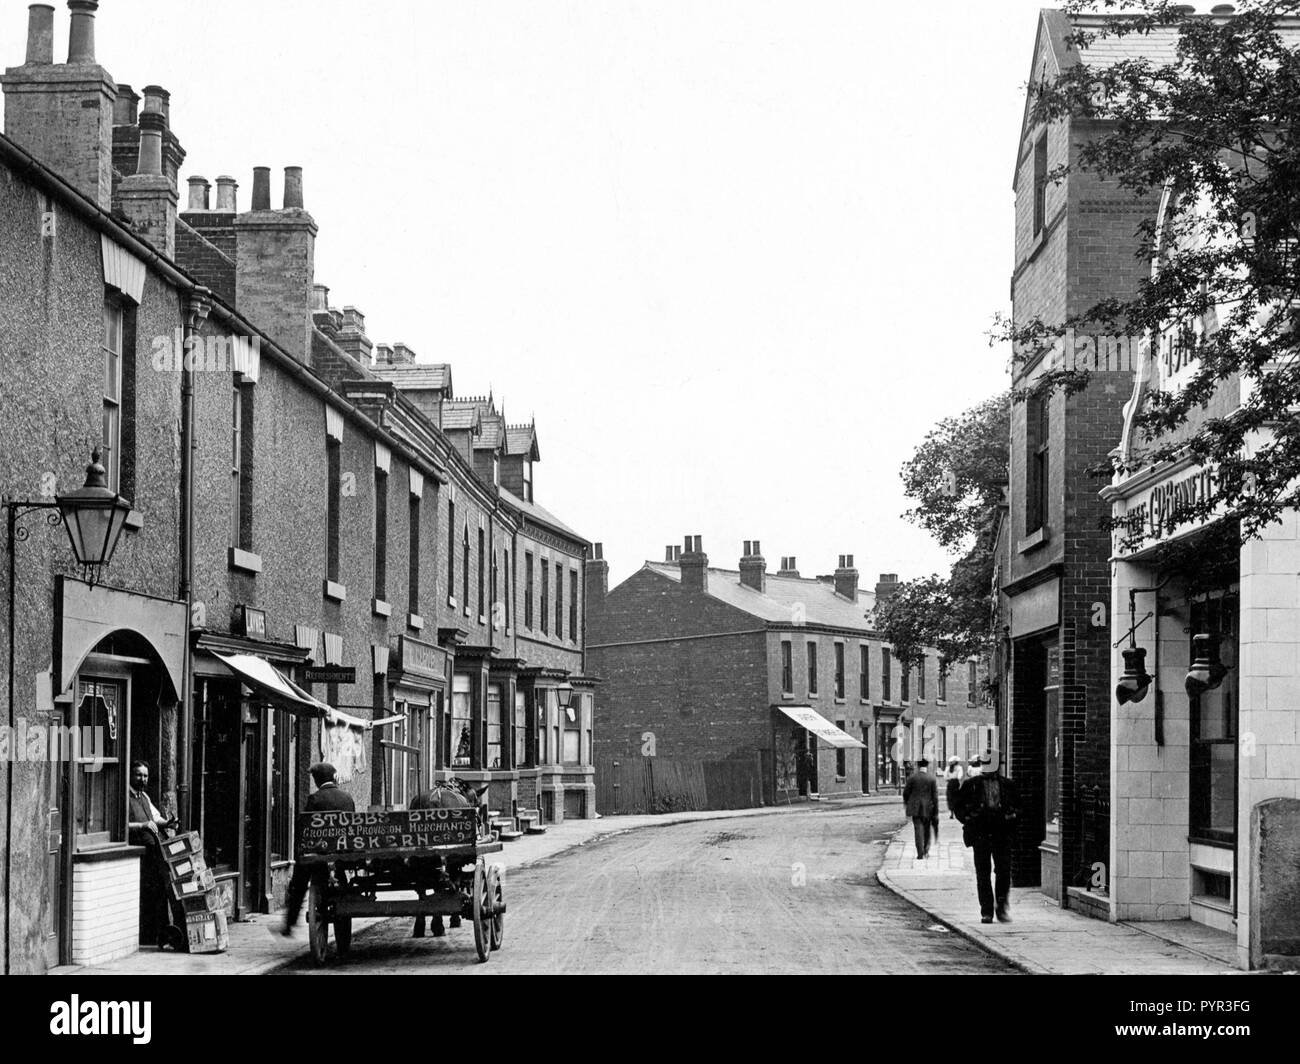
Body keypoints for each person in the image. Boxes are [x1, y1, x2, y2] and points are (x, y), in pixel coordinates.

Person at [282, 762, 355, 936]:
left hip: (319, 856)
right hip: (342, 855)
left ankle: (289, 924)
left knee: (300, 882)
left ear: (317, 779)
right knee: (340, 875)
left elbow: (306, 830)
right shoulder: (347, 798)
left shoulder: (314, 799)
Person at [954, 749, 1019, 924]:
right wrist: (967, 818)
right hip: (980, 834)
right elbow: (957, 806)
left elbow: (1019, 806)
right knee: (983, 874)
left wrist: (1012, 816)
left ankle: (1001, 906)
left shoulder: (1008, 785)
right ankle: (987, 911)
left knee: (1003, 872)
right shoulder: (971, 784)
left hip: (1002, 833)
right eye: (985, 763)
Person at [127, 760, 178, 944]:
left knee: (159, 893)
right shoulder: (124, 796)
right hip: (138, 855)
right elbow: (120, 825)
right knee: (146, 896)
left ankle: (160, 935)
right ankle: (146, 936)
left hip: (154, 853)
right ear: (131, 775)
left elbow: (156, 818)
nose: (142, 779)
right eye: (139, 775)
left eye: (145, 776)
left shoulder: (145, 797)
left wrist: (169, 823)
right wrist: (141, 825)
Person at [902, 758, 938, 859]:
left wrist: (906, 803)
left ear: (918, 766)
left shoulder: (912, 778)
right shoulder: (931, 778)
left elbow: (906, 793)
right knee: (927, 829)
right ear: (927, 766)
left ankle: (920, 853)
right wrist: (935, 810)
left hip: (915, 808)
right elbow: (934, 796)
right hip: (928, 809)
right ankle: (926, 850)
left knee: (918, 829)